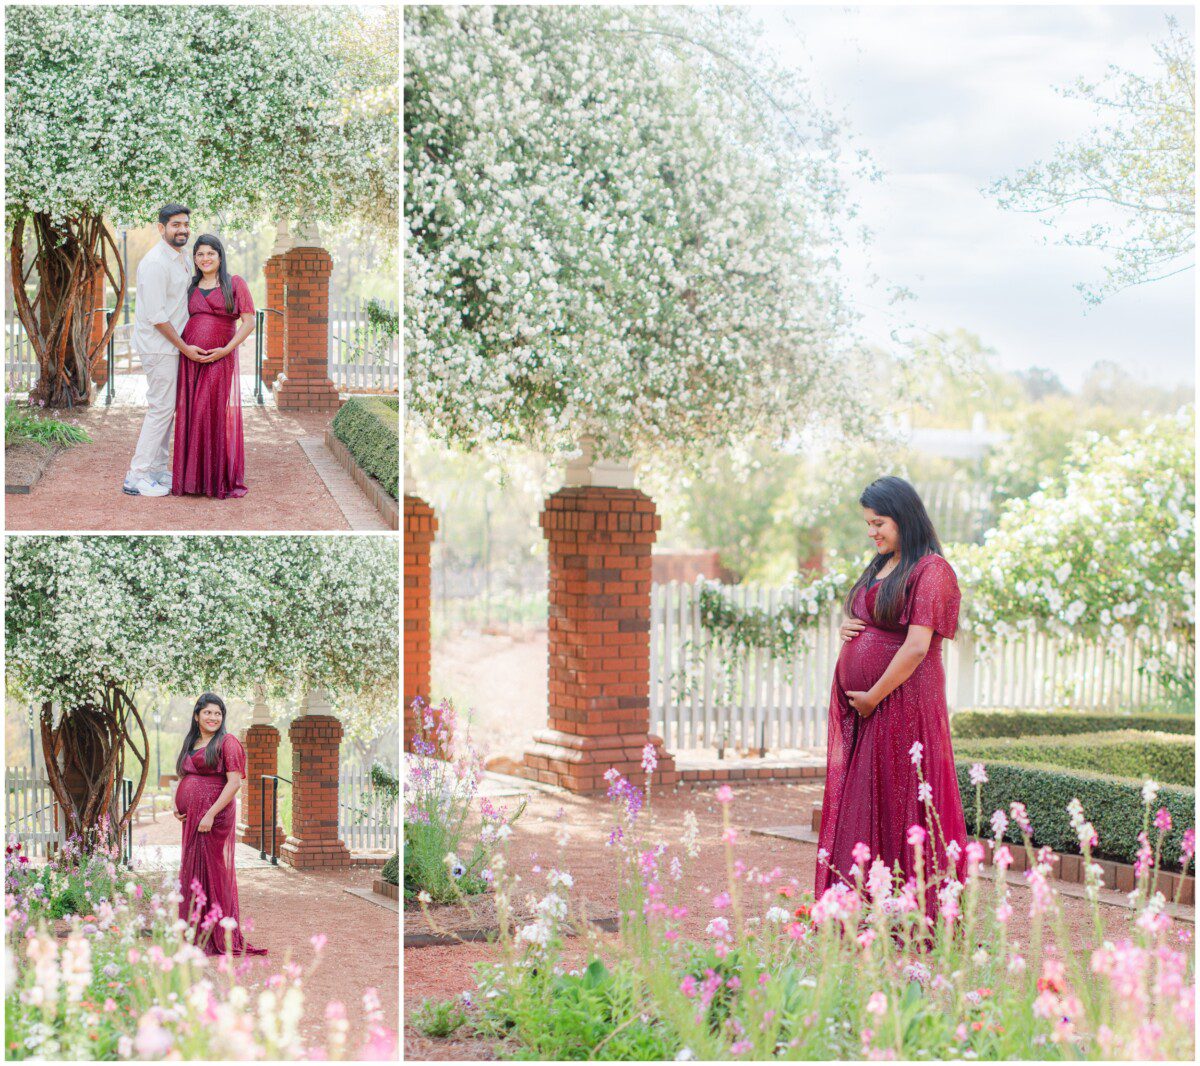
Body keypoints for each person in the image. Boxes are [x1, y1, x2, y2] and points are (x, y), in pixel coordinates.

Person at [814, 476, 968, 919]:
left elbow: (917, 646)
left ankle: (909, 915)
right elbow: (875, 621)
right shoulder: (884, 561)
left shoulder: (932, 570)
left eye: (879, 522)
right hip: (868, 707)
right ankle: (866, 907)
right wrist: (849, 629)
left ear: (904, 517)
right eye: (868, 524)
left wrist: (874, 696)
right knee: (868, 797)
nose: (872, 532)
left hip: (901, 704)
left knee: (902, 801)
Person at [172, 693, 267, 956]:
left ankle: (217, 933)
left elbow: (234, 783)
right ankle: (197, 931)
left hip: (215, 816)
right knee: (192, 868)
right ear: (197, 715)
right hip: (193, 817)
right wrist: (177, 805)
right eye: (208, 713)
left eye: (218, 713)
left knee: (214, 871)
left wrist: (210, 814)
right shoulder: (192, 741)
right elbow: (185, 775)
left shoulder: (228, 742)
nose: (213, 718)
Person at [123, 204, 208, 497]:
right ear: (161, 228)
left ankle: (157, 470)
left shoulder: (182, 257)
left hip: (172, 347)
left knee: (167, 410)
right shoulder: (155, 263)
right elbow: (158, 316)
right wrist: (185, 347)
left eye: (185, 224)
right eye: (175, 225)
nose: (182, 229)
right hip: (160, 348)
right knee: (161, 409)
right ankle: (137, 475)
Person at [172, 234, 254, 498]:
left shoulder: (234, 284)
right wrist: (186, 348)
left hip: (220, 355)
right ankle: (191, 480)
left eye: (210, 254)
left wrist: (226, 350)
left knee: (209, 411)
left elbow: (249, 322)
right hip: (189, 357)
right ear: (194, 259)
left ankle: (212, 479)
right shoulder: (190, 286)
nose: (205, 259)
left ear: (220, 256)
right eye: (199, 254)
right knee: (191, 411)